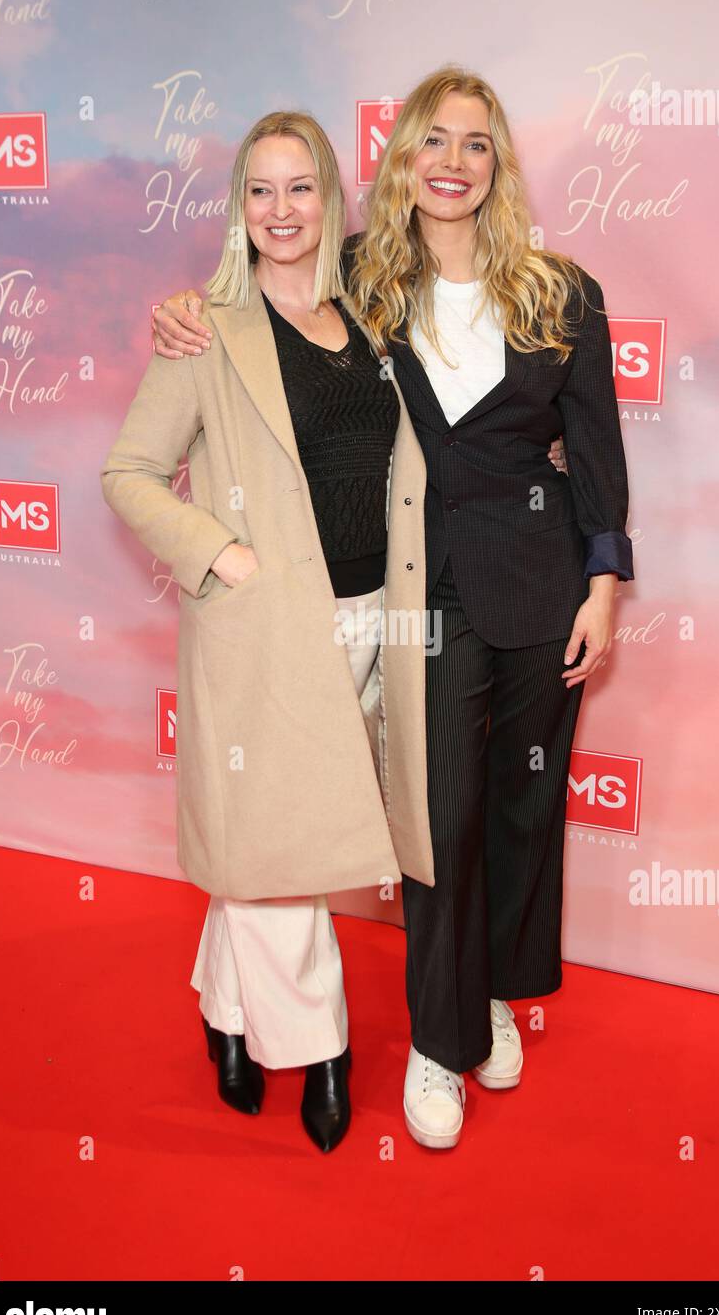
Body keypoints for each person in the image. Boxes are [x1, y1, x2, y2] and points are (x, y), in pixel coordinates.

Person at [152, 66, 633, 1151]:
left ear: (495, 163)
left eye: (473, 143)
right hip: (425, 597)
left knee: (523, 809)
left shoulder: (562, 291)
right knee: (438, 822)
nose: (451, 163)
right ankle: (437, 1040)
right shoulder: (361, 277)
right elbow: (260, 292)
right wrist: (188, 305)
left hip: (541, 583)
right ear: (402, 160)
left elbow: (597, 454)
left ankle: (500, 994)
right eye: (432, 141)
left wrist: (602, 583)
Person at [100, 111, 435, 1154]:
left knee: (262, 841)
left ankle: (225, 1012)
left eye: (299, 189)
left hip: (380, 618)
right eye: (259, 190)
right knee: (284, 853)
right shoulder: (204, 325)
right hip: (265, 630)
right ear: (237, 204)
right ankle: (321, 1051)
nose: (280, 210)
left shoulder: (375, 311)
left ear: (330, 198)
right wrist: (218, 556)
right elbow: (129, 474)